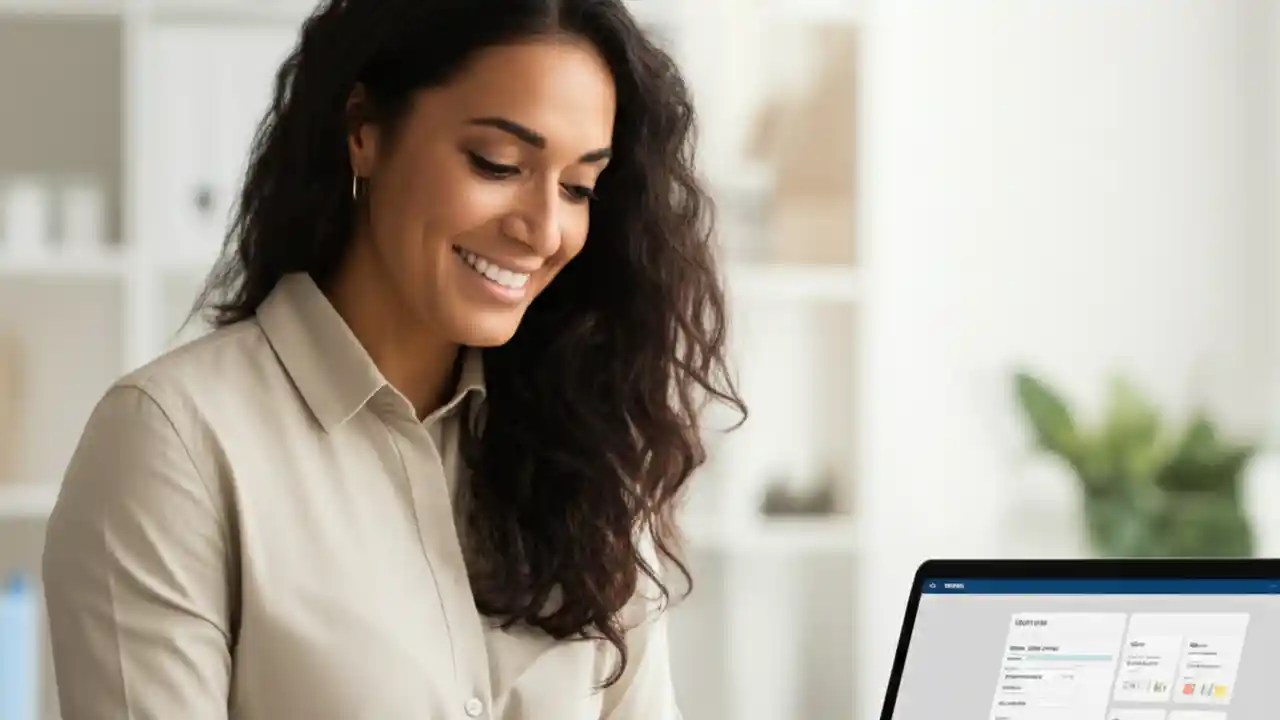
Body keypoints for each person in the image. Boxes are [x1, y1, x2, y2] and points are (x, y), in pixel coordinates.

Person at [41, 0, 744, 717]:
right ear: (364, 132)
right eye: (497, 163)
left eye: (577, 188)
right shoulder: (176, 443)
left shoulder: (590, 456)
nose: (543, 230)